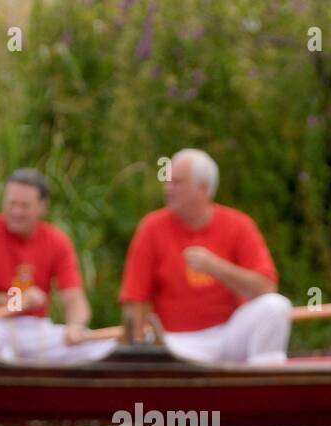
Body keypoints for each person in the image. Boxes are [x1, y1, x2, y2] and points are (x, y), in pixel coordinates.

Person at [119, 148, 292, 364]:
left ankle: (265, 389)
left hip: (229, 335)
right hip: (176, 343)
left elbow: (266, 289)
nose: (168, 189)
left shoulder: (239, 225)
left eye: (177, 183)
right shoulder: (151, 228)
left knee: (276, 306)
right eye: (168, 181)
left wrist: (216, 267)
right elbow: (134, 300)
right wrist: (136, 345)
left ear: (203, 189)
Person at [0, 169, 115, 364]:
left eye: (24, 206)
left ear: (43, 207)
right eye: (11, 204)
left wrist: (75, 326)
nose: (16, 211)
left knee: (99, 347)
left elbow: (76, 300)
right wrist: (15, 300)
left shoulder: (56, 240)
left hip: (34, 330)